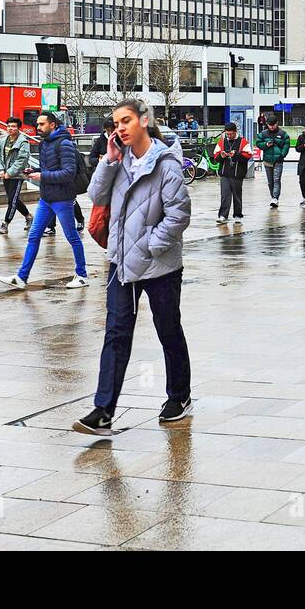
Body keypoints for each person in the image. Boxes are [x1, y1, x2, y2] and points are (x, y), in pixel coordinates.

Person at [74, 97, 193, 435]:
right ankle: (103, 410)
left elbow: (179, 214)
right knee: (116, 333)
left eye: (126, 120)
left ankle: (179, 396)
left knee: (168, 329)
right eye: (116, 123)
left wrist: (152, 246)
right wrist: (108, 162)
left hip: (160, 266)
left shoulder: (166, 164)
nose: (120, 128)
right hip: (121, 265)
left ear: (144, 120)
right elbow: (96, 197)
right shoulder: (119, 161)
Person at [0, 111, 89, 290]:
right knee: (33, 236)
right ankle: (21, 277)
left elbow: (68, 173)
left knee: (72, 237)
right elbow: (50, 167)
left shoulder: (65, 144)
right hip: (46, 197)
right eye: (37, 124)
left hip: (62, 198)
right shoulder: (45, 143)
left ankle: (82, 275)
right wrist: (34, 170)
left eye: (41, 124)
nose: (37, 127)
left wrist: (42, 175)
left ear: (52, 125)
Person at [0, 116, 33, 235]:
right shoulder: (4, 140)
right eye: (9, 126)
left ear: (18, 128)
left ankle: (5, 223)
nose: (10, 128)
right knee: (14, 199)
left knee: (12, 200)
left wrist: (10, 172)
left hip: (17, 176)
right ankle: (28, 216)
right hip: (5, 175)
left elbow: (21, 160)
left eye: (13, 126)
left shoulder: (23, 142)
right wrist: (0, 169)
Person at [213, 121, 252, 224]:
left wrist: (236, 154)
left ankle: (238, 215)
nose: (229, 136)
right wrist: (222, 155)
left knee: (237, 195)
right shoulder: (221, 142)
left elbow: (248, 156)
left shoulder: (243, 142)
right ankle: (222, 215)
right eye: (227, 134)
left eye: (231, 134)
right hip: (225, 173)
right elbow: (216, 157)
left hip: (237, 173)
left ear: (235, 132)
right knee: (225, 195)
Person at [254, 113, 291, 209]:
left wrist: (282, 155)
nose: (271, 127)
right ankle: (273, 197)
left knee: (277, 179)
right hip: (267, 160)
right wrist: (266, 145)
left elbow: (286, 146)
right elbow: (258, 143)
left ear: (277, 123)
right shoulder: (263, 134)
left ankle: (275, 198)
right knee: (270, 181)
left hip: (278, 160)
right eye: (269, 125)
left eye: (273, 125)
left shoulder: (283, 134)